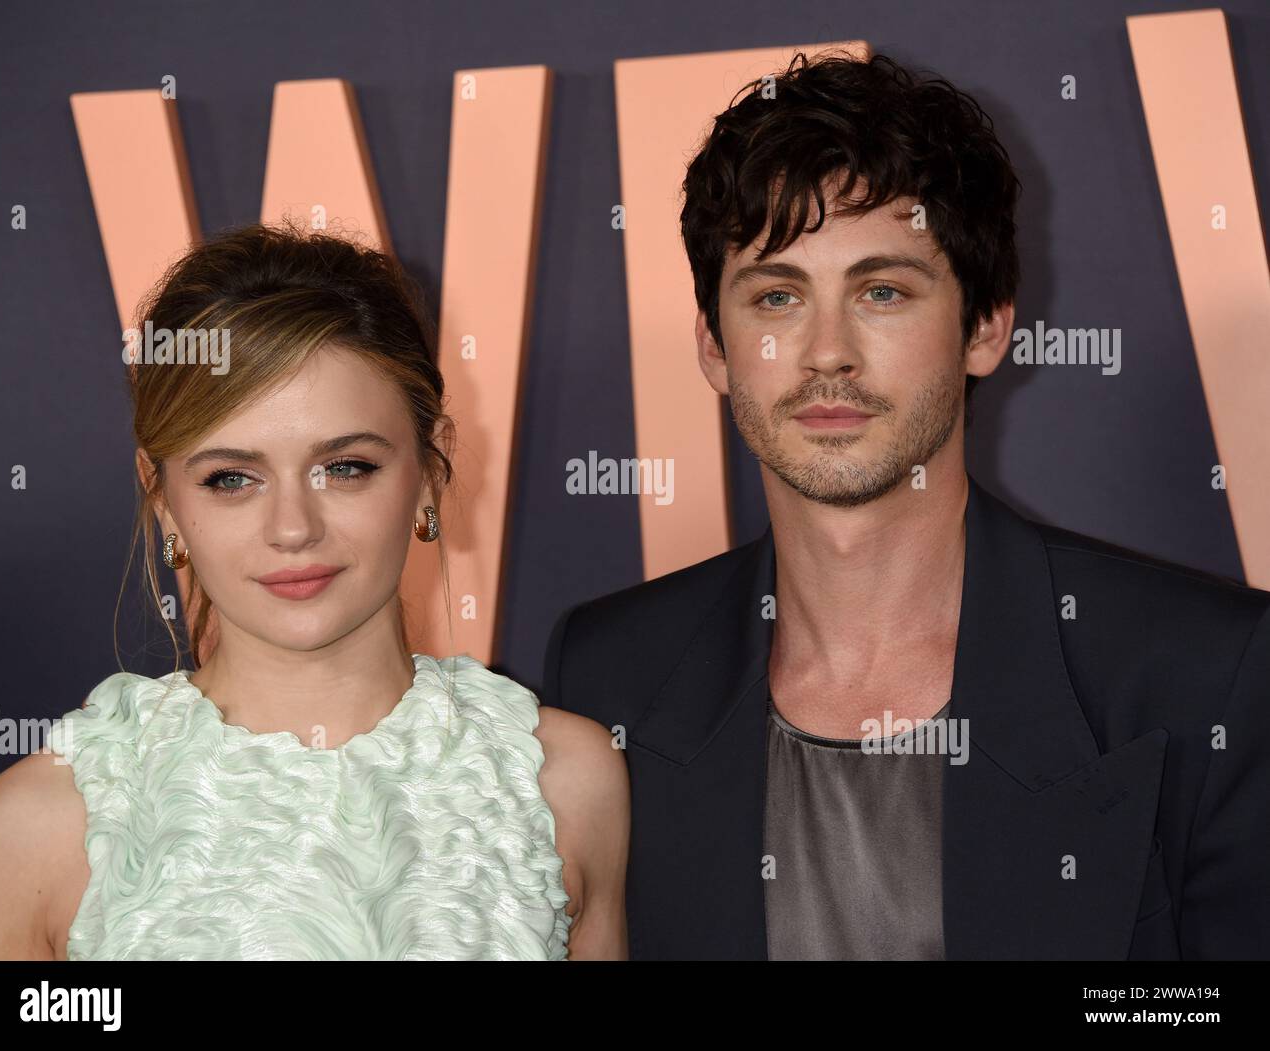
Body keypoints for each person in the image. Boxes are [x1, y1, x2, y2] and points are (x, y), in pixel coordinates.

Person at [542, 51, 1270, 960]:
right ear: (715, 347)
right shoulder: (607, 677)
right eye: (777, 296)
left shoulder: (1207, 674)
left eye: (882, 291)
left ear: (986, 325)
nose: (827, 354)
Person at [0, 223, 628, 960]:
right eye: (231, 478)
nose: (292, 528)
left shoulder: (566, 782)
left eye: (344, 466)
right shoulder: (38, 826)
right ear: (163, 502)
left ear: (429, 472)